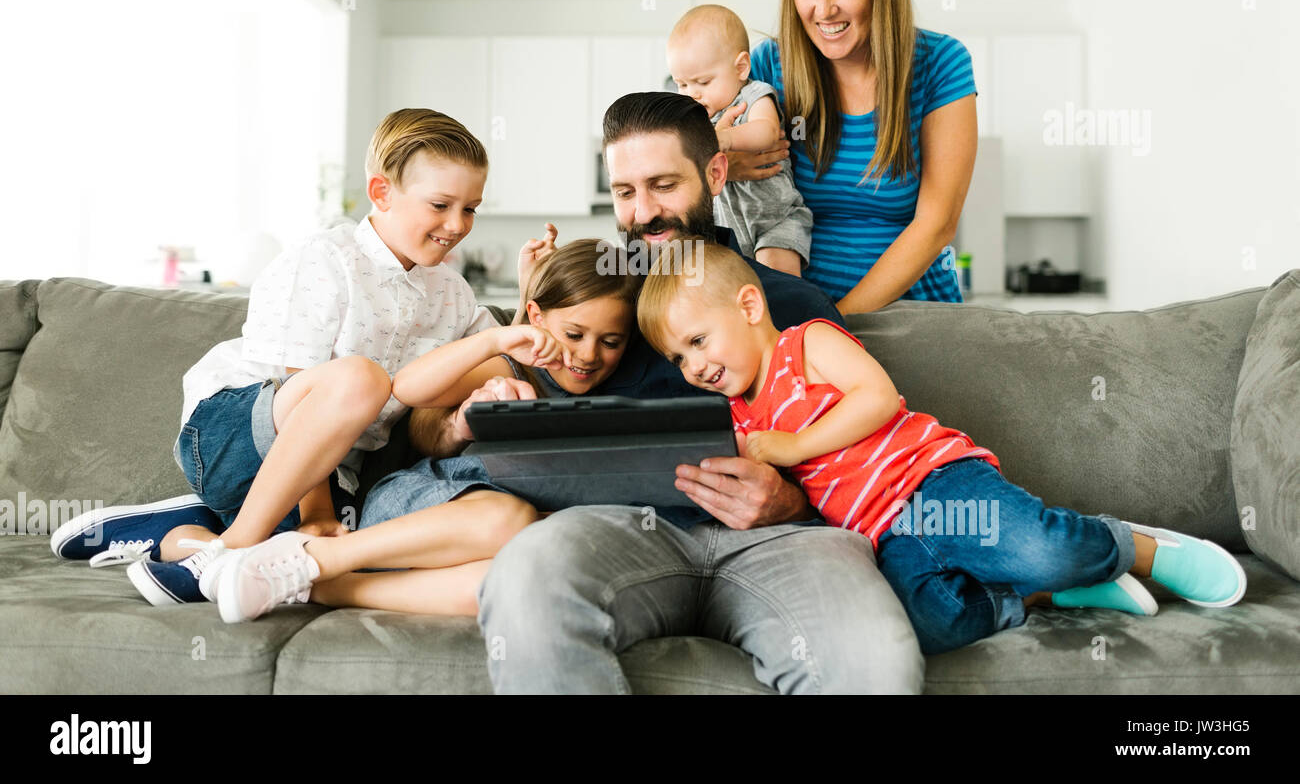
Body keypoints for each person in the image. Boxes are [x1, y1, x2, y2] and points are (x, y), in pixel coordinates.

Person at [406, 91, 927, 693]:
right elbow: (429, 417)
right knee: (524, 578)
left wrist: (789, 501)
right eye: (625, 192)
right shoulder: (587, 303)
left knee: (872, 661)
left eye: (663, 185)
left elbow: (874, 442)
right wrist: (453, 427)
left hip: (777, 540)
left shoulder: (787, 303)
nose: (644, 213)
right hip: (617, 533)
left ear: (715, 173)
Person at [635, 240, 1249, 654]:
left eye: (697, 340)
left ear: (748, 306)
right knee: (928, 622)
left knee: (1039, 543)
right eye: (677, 357)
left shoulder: (807, 343)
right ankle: (1049, 592)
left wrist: (791, 446)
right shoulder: (737, 416)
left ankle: (1140, 549)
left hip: (931, 486)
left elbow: (878, 399)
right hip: (882, 537)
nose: (694, 365)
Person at [53, 108, 500, 608]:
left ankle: (185, 535)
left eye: (471, 208)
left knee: (337, 554)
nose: (458, 225)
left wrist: (535, 290)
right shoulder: (324, 259)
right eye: (441, 204)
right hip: (235, 436)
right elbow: (303, 393)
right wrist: (315, 512)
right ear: (381, 193)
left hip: (337, 470)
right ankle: (240, 539)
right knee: (361, 380)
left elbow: (509, 354)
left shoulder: (454, 295)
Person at [211, 237, 640, 622]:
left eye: (611, 342)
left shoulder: (619, 394)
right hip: (419, 506)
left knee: (517, 584)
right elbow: (409, 387)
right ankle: (321, 556)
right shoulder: (511, 364)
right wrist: (496, 341)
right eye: (574, 334)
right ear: (536, 319)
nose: (587, 354)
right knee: (508, 520)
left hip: (474, 545)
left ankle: (322, 586)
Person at [738, 0, 979, 314]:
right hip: (796, 321)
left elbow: (937, 224)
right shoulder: (767, 67)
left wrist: (837, 321)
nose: (823, 10)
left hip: (912, 316)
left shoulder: (941, 63)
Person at [667, 3, 812, 277]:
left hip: (776, 222)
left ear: (741, 68)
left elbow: (767, 132)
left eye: (703, 82)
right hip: (726, 229)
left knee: (777, 283)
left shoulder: (754, 95)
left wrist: (724, 138)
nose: (692, 94)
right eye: (683, 85)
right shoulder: (694, 119)